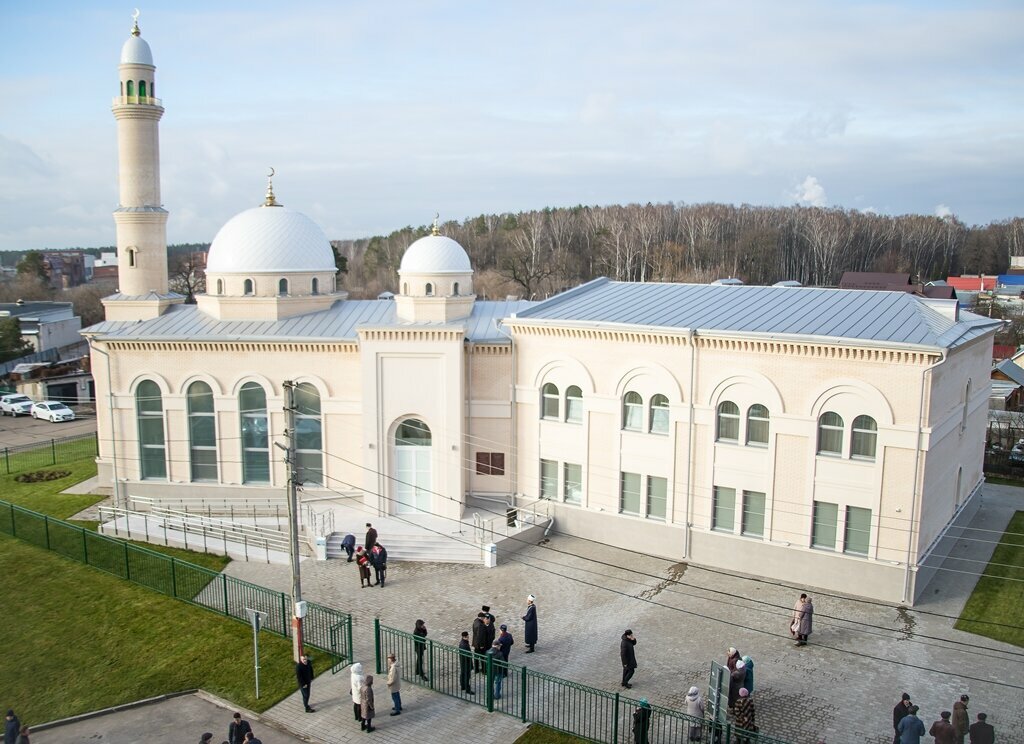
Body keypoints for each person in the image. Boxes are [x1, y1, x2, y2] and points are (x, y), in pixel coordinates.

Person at [458, 630, 475, 694]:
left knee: (463, 674)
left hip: (464, 662)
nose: (468, 638)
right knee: (466, 676)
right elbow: (466, 655)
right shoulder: (463, 644)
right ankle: (467, 689)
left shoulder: (464, 642)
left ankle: (463, 686)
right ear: (463, 637)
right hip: (466, 663)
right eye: (467, 637)